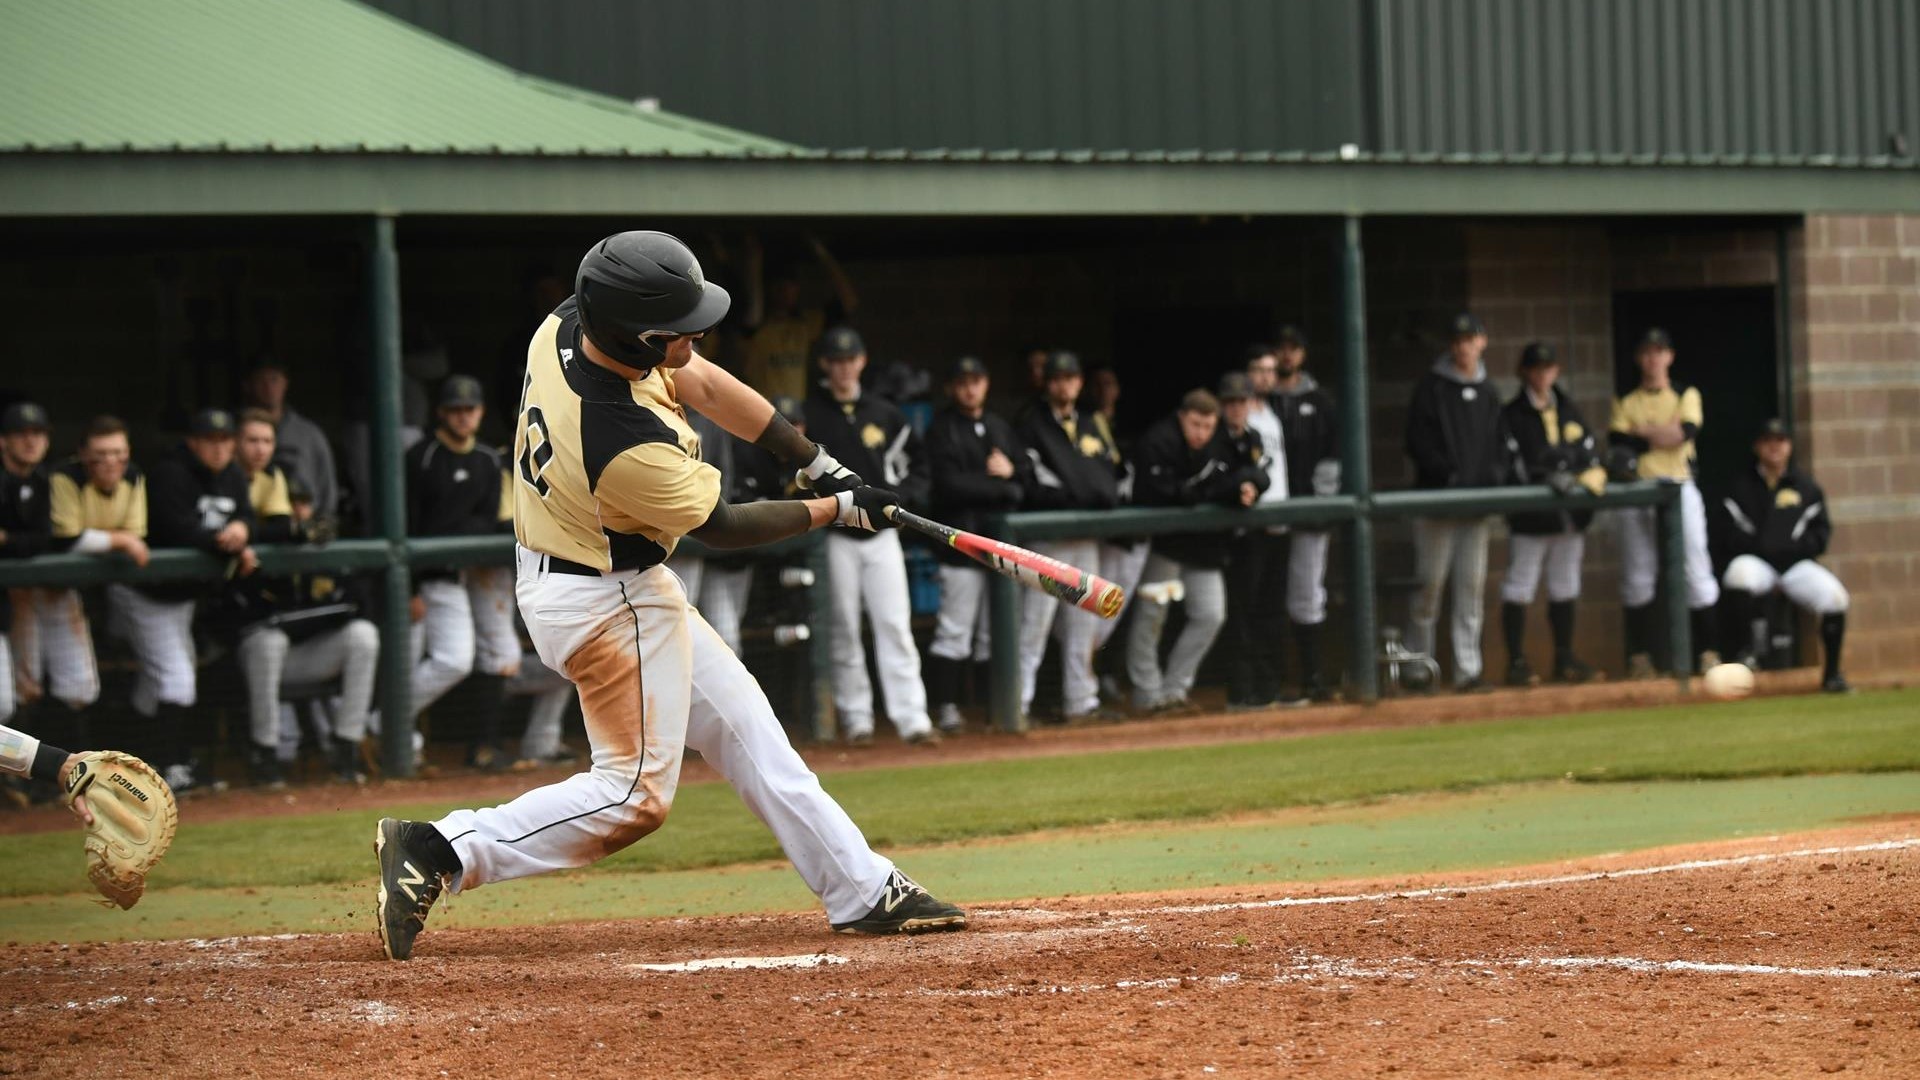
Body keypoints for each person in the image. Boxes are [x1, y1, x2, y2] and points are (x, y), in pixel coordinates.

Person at [375, 230, 964, 962]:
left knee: (748, 731)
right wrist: (837, 510)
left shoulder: (569, 323)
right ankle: (440, 848)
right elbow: (722, 526)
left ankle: (862, 888)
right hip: (605, 600)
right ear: (638, 337)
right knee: (633, 795)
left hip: (589, 570)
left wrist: (815, 462)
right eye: (680, 329)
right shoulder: (622, 439)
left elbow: (705, 384)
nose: (697, 336)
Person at [802, 326, 937, 747]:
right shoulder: (812, 414)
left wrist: (902, 501)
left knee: (894, 623)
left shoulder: (885, 412)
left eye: (850, 359)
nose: (844, 368)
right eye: (836, 361)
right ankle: (857, 718)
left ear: (861, 361)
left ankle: (913, 718)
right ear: (825, 365)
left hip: (881, 534)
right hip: (836, 534)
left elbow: (919, 467)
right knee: (843, 627)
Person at [136, 407, 259, 792]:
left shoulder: (233, 474)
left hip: (183, 598)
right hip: (144, 594)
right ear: (192, 442)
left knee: (165, 679)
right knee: (177, 680)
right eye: (210, 440)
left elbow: (247, 514)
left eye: (225, 440)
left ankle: (151, 759)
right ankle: (169, 766)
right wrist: (229, 545)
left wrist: (242, 528)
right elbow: (174, 528)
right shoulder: (170, 473)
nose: (219, 448)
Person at [1128, 387, 1266, 713]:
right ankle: (1147, 694)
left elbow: (1253, 471)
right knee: (1151, 617)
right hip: (1165, 544)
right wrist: (1210, 490)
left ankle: (1174, 690)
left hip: (1203, 546)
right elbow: (1163, 492)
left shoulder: (1221, 442)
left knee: (1211, 615)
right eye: (1195, 424)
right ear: (1182, 418)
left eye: (1207, 426)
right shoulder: (1160, 440)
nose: (1201, 433)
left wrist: (1248, 487)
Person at [402, 375, 509, 767]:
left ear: (480, 412)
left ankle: (383, 723)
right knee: (433, 662)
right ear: (441, 413)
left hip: (462, 579)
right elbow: (408, 526)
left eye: (470, 409)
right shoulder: (422, 457)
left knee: (462, 659)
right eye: (455, 410)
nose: (463, 417)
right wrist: (409, 589)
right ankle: (389, 728)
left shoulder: (487, 459)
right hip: (423, 578)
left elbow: (487, 522)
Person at [922, 356, 1029, 734]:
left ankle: (992, 708)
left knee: (992, 633)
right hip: (960, 544)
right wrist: (1002, 486)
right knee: (955, 629)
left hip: (1001, 546)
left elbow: (1026, 479)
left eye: (976, 381)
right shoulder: (942, 429)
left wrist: (1011, 476)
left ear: (986, 383)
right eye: (963, 382)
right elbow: (948, 486)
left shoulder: (1000, 427)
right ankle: (947, 707)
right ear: (952, 387)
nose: (970, 389)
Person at [1015, 350, 1123, 723]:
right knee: (1034, 625)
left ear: (1079, 383)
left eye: (1070, 379)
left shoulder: (1092, 422)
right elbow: (1035, 483)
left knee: (1083, 624)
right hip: (1048, 538)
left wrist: (1085, 488)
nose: (1064, 386)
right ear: (1048, 384)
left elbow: (1111, 475)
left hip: (1085, 536)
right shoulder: (1031, 424)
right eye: (1057, 379)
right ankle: (1018, 705)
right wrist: (1085, 490)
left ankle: (1081, 701)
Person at [32, 416, 151, 745]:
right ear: (83, 454)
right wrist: (119, 540)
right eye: (101, 454)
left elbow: (137, 534)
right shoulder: (64, 475)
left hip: (74, 592)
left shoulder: (134, 475)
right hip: (33, 588)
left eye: (118, 453)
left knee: (80, 686)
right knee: (23, 687)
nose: (111, 461)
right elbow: (66, 539)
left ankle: (66, 762)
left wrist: (105, 539)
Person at [1403, 313, 1505, 692]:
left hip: (1475, 509)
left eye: (1470, 339)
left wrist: (1491, 480)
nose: (1464, 346)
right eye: (1458, 340)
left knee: (1470, 591)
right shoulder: (1431, 387)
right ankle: (1418, 670)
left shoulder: (1489, 391)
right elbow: (1416, 441)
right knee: (1428, 589)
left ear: (1482, 341)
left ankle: (1467, 671)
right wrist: (1445, 475)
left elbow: (1499, 444)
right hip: (1437, 506)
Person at [1610, 328, 1720, 677]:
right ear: (1638, 358)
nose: (1653, 358)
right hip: (1637, 490)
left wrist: (1643, 432)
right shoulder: (1626, 399)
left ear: (1669, 356)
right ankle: (1639, 658)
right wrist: (1663, 434)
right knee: (1638, 575)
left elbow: (1684, 433)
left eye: (1659, 351)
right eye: (1646, 352)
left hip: (1679, 485)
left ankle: (1709, 652)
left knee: (1696, 568)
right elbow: (1619, 442)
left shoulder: (1685, 393)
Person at [1497, 343, 1605, 687]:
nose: (1543, 375)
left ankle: (1564, 658)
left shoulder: (1569, 408)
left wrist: (1573, 471)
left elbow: (1588, 451)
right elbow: (1511, 463)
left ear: (1556, 371)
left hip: (1568, 515)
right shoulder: (1512, 414)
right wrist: (1544, 473)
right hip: (1531, 517)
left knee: (1565, 584)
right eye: (1536, 368)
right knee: (1520, 585)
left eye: (1548, 368)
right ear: (1525, 372)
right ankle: (1516, 662)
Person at [1717, 419, 1851, 693]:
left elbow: (1820, 534)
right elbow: (1727, 533)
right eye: (1767, 441)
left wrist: (1792, 549)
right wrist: (1763, 547)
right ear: (1757, 447)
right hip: (1757, 561)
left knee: (1836, 598)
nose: (1774, 447)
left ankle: (1832, 674)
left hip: (1794, 564)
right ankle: (1746, 655)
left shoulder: (1806, 487)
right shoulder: (1740, 486)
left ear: (1789, 446)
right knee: (1739, 576)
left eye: (1780, 441)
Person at [1262, 329, 1341, 701]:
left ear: (1303, 354)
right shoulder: (1261, 402)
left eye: (1293, 348)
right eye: (1281, 348)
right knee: (1269, 595)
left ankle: (1311, 677)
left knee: (1307, 595)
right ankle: (1271, 681)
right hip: (1267, 514)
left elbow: (1334, 455)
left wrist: (1319, 503)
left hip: (1308, 514)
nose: (1287, 355)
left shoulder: (1321, 401)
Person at [1225, 345, 1292, 709]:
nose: (1266, 377)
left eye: (1270, 370)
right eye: (1258, 369)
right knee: (1245, 610)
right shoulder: (1237, 424)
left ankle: (1269, 687)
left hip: (1278, 520)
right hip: (1247, 525)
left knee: (1271, 610)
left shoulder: (1274, 414)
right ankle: (1244, 690)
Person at [741, 234, 859, 401]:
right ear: (770, 288)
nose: (785, 292)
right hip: (762, 411)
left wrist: (822, 254)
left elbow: (848, 303)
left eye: (790, 286)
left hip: (796, 413)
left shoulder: (804, 325)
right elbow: (754, 307)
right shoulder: (757, 326)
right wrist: (754, 260)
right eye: (779, 286)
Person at [1, 404, 59, 738]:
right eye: (21, 434)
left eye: (37, 434)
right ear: (3, 441)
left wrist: (8, 539)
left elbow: (44, 539)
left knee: (4, 704)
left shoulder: (43, 480)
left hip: (9, 602)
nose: (30, 441)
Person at [242, 362, 339, 522]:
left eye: (274, 379)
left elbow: (327, 491)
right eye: (261, 380)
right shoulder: (231, 447)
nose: (268, 387)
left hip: (304, 524)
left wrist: (317, 519)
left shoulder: (309, 434)